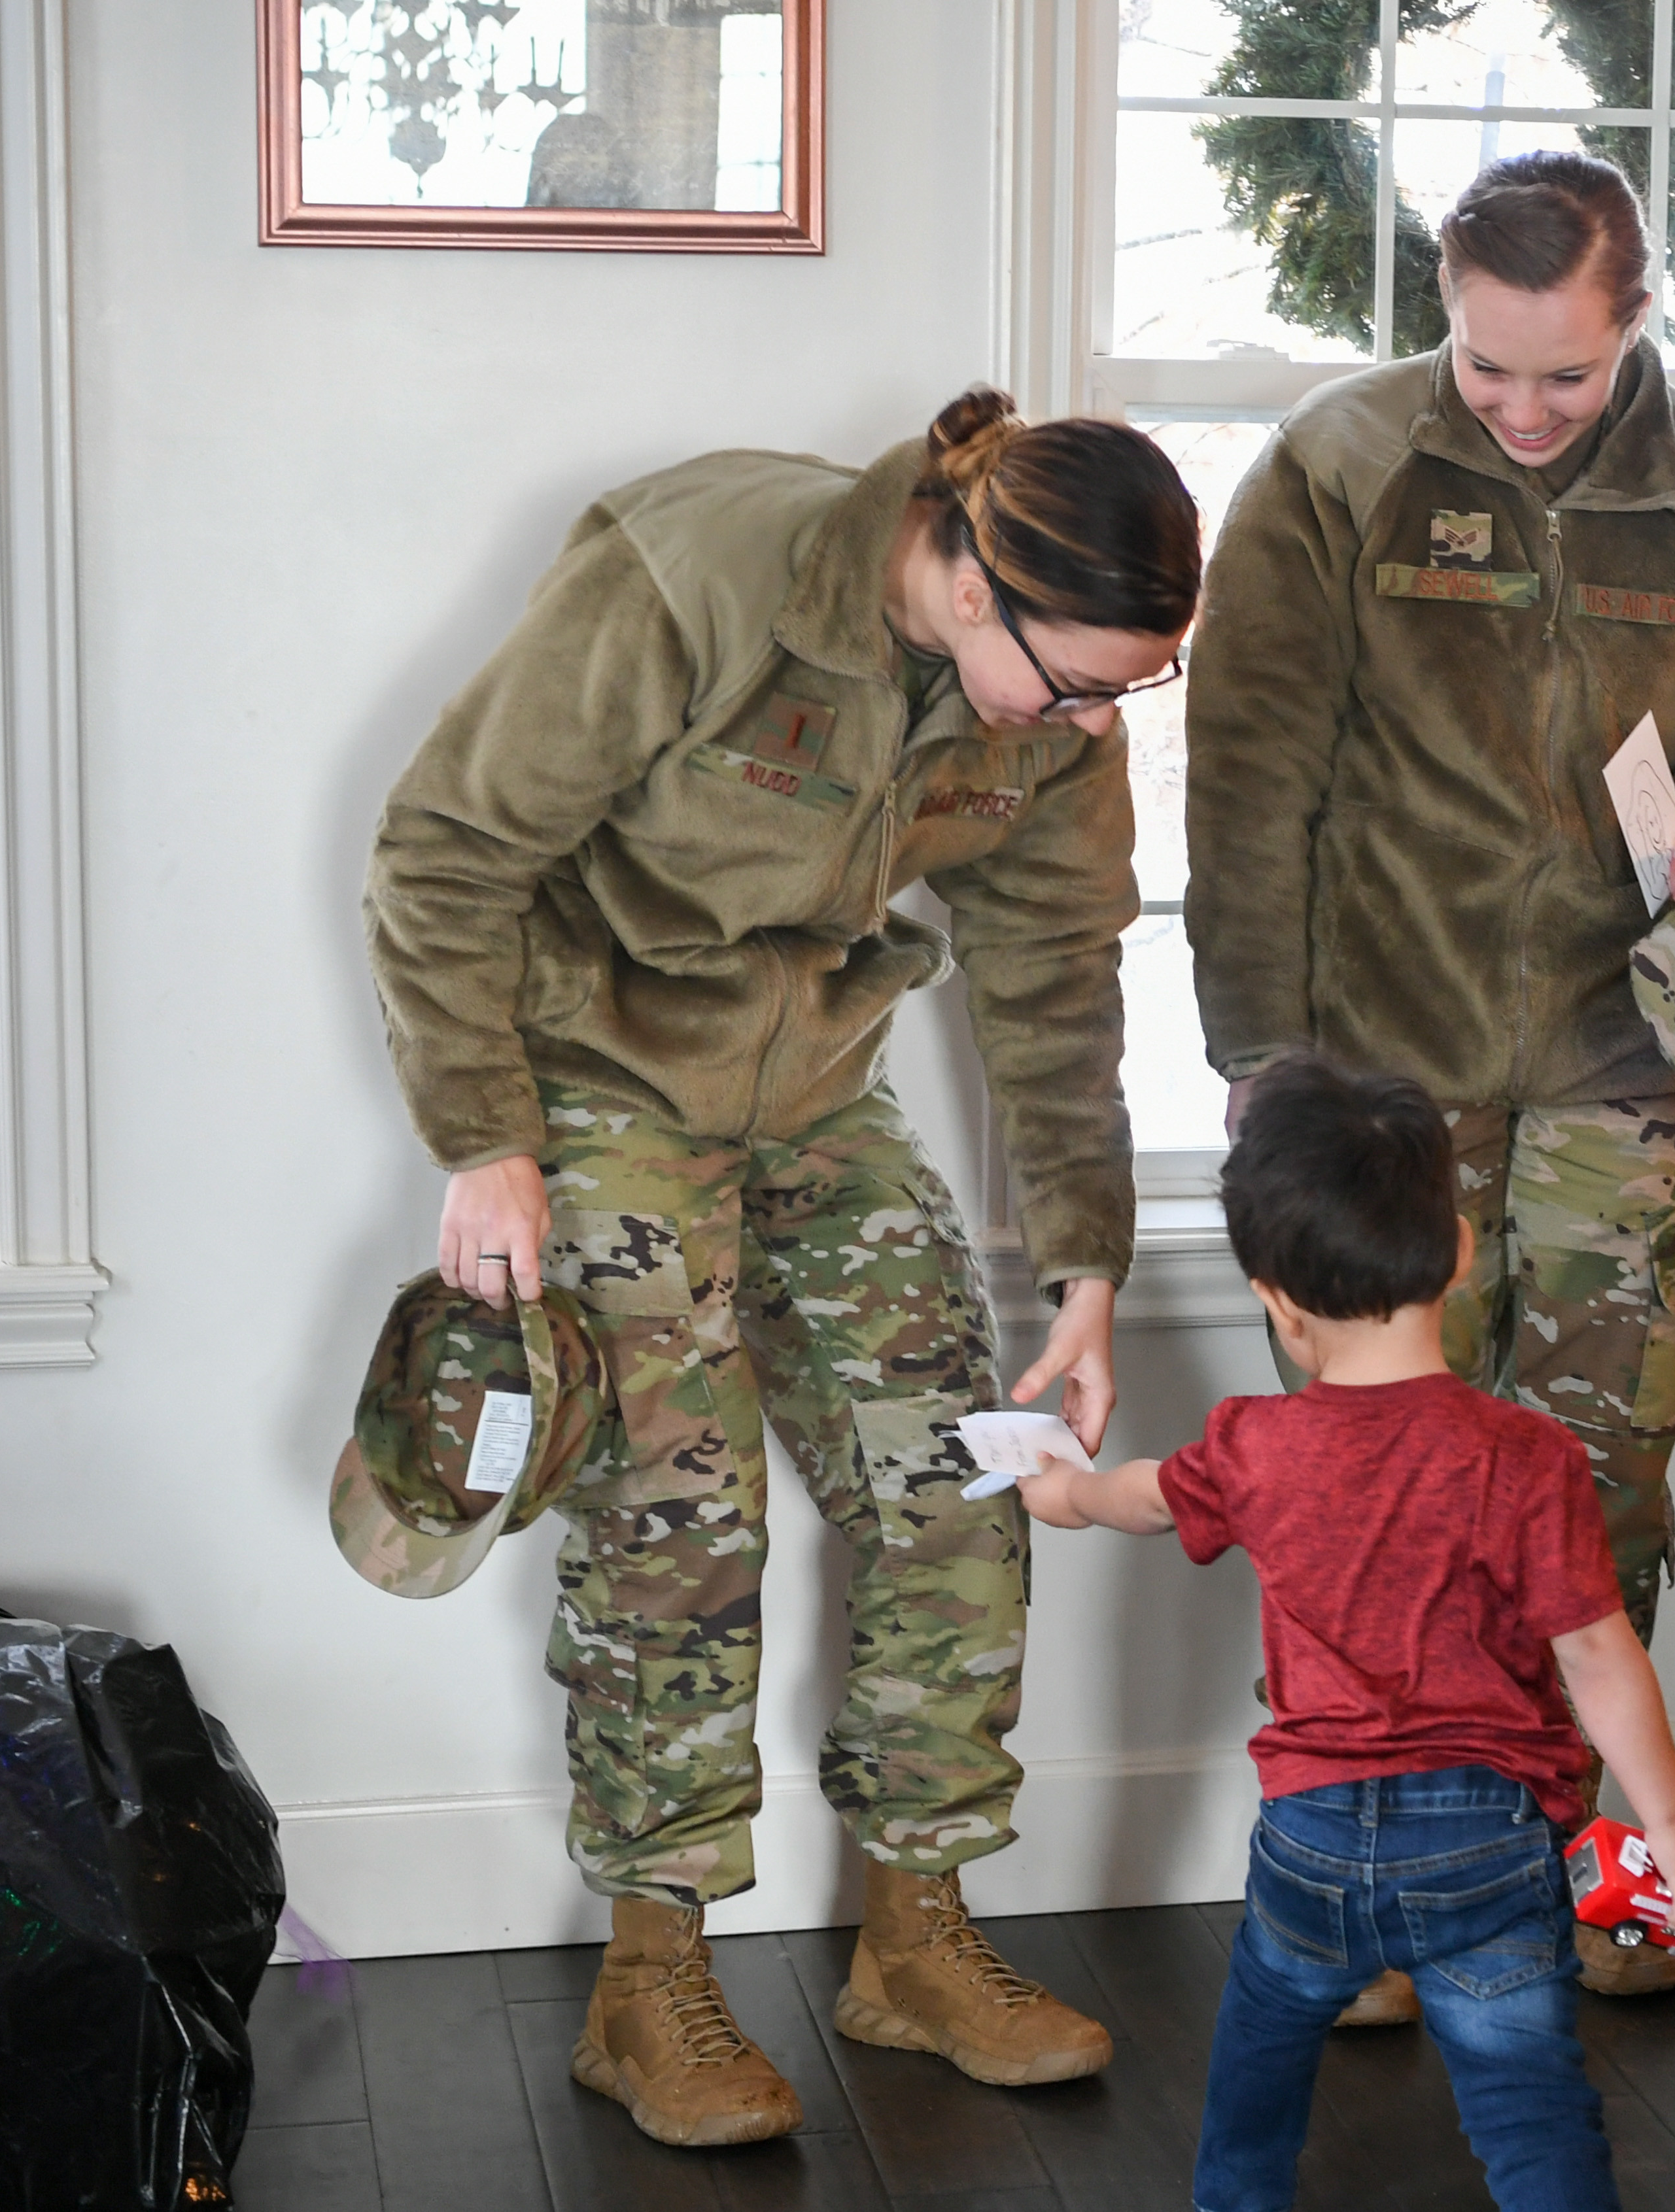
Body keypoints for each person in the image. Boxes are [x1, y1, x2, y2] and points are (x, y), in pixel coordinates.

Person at [361, 387, 1197, 2145]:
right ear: (975, 584)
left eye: (1130, 687)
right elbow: (448, 851)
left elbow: (1055, 980)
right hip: (600, 1076)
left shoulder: (1049, 720)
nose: (1095, 716)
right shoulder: (701, 573)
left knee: (969, 1479)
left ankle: (915, 1935)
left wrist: (1086, 1264)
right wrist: (483, 1139)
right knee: (684, 1525)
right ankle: (648, 1978)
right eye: (1082, 677)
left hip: (818, 1088)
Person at [1184, 149, 1675, 1998]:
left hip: (1613, 1055)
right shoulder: (1336, 468)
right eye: (1489, 368)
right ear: (1446, 313)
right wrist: (1257, 1055)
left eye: (1563, 371)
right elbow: (1244, 780)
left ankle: (1592, 1865)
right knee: (1367, 1497)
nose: (1528, 409)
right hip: (1373, 1070)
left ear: (1635, 316)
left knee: (1593, 1478)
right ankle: (1382, 1896)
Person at [1021, 1054, 1675, 2211]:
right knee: (1528, 2102)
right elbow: (1597, 1654)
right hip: (1490, 1845)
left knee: (1261, 2046)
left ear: (1273, 1298)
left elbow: (1139, 1495)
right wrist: (1674, 1821)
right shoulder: (1526, 1455)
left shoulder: (1252, 1444)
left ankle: (1234, 2200)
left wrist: (1059, 1494)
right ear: (1458, 1250)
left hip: (1309, 1836)